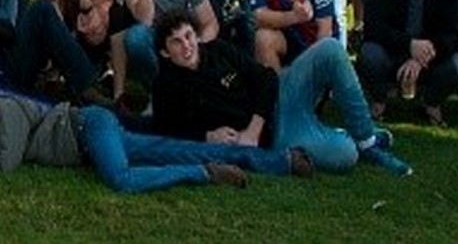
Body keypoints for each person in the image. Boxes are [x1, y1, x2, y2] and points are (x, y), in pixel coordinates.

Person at [0, 67, 269, 193]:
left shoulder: (2, 109)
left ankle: (203, 173)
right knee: (171, 148)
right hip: (93, 133)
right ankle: (284, 161)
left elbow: (4, 162)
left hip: (88, 128)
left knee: (122, 180)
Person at [147, 9, 408, 176]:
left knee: (330, 49)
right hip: (278, 137)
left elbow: (266, 78)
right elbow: (168, 130)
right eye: (176, 42)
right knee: (345, 155)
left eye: (189, 36)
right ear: (164, 52)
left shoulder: (217, 50)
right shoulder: (166, 85)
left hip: (279, 99)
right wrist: (208, 136)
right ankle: (346, 136)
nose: (187, 46)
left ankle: (368, 142)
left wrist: (253, 130)